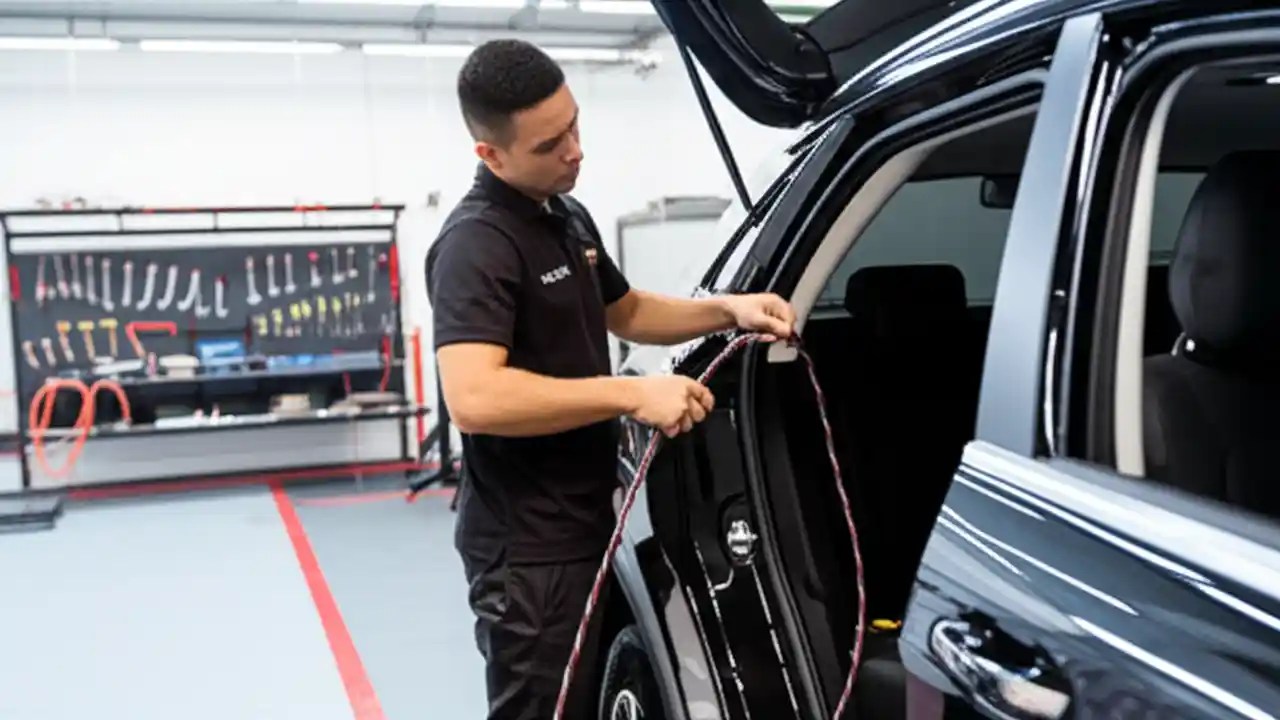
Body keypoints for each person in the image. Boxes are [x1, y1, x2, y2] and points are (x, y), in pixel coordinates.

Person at [426, 39, 796, 720]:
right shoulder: (476, 245)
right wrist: (631, 393)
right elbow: (475, 398)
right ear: (491, 155)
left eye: (573, 126)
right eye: (549, 144)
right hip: (529, 554)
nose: (574, 151)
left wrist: (726, 308)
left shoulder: (563, 215)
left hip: (586, 519)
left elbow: (625, 312)